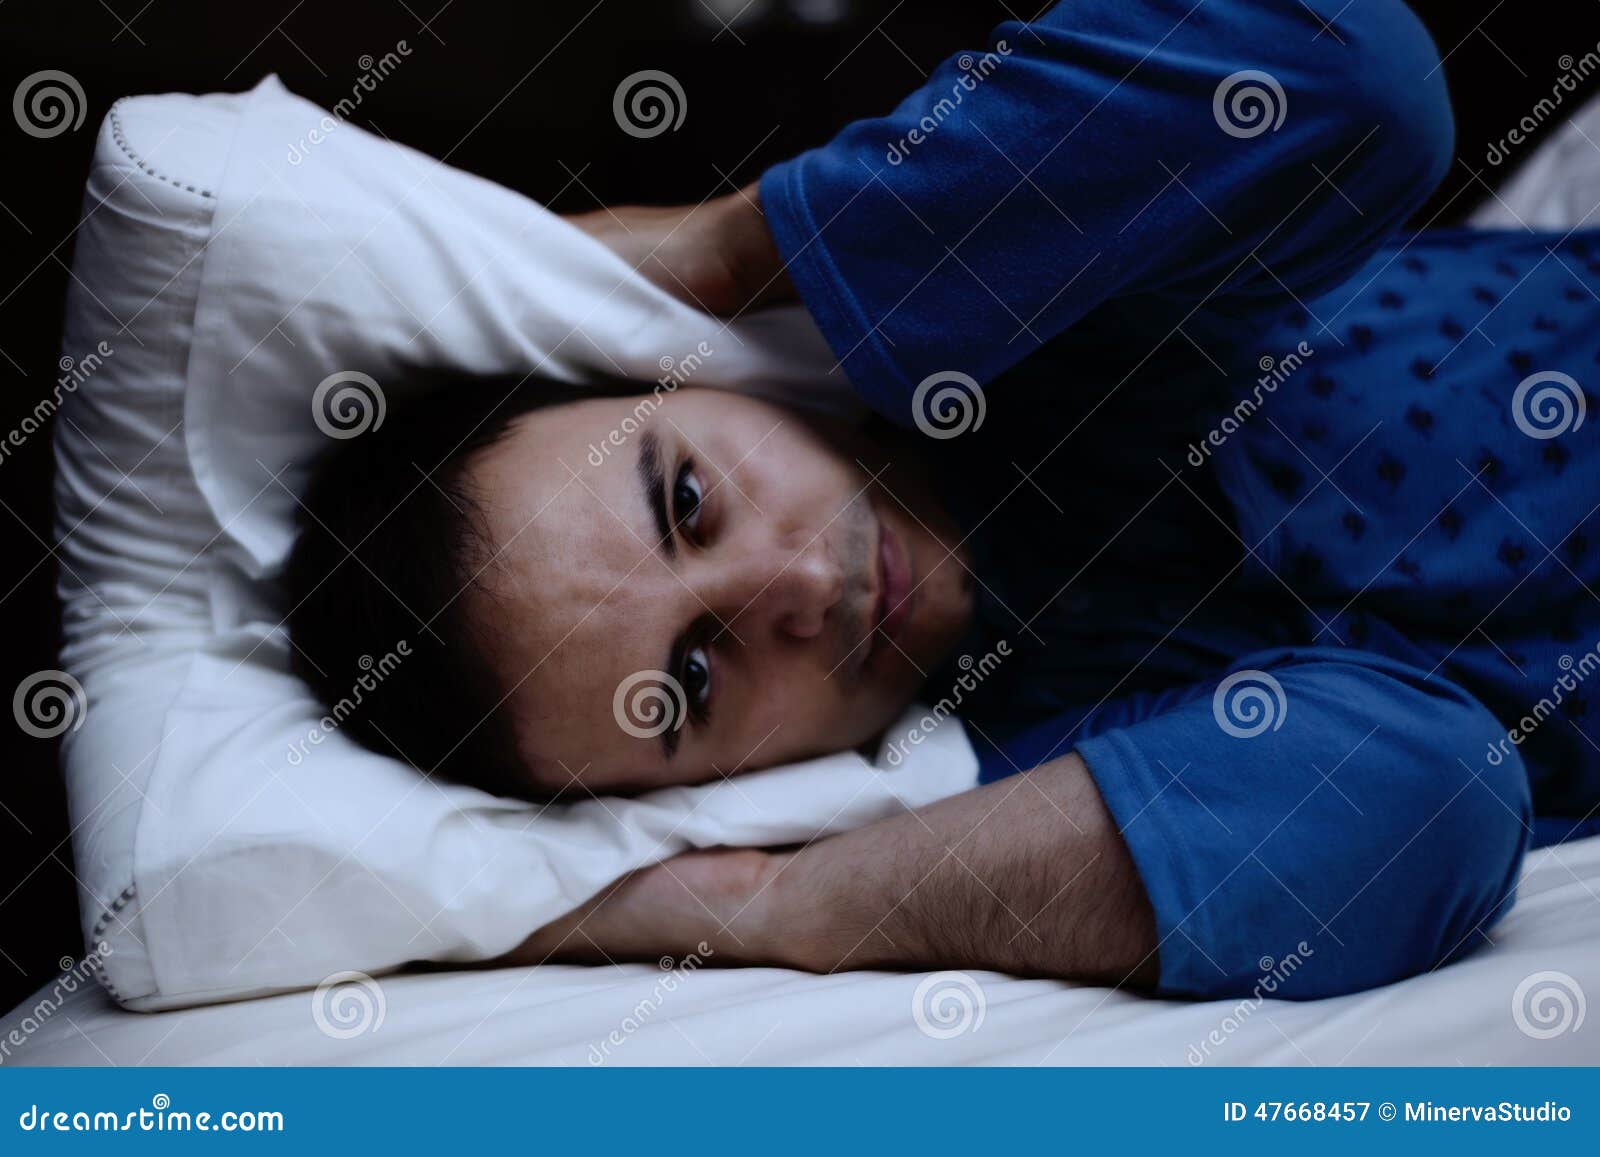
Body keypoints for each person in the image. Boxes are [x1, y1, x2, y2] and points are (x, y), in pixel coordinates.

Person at [287, 0, 1599, 999]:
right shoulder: (1021, 782)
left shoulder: (1045, 328)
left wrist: (728, 246)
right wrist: (776, 911)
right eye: (689, 681)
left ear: (675, 375)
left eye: (689, 498)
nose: (796, 586)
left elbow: (1352, 72)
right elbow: (1439, 797)